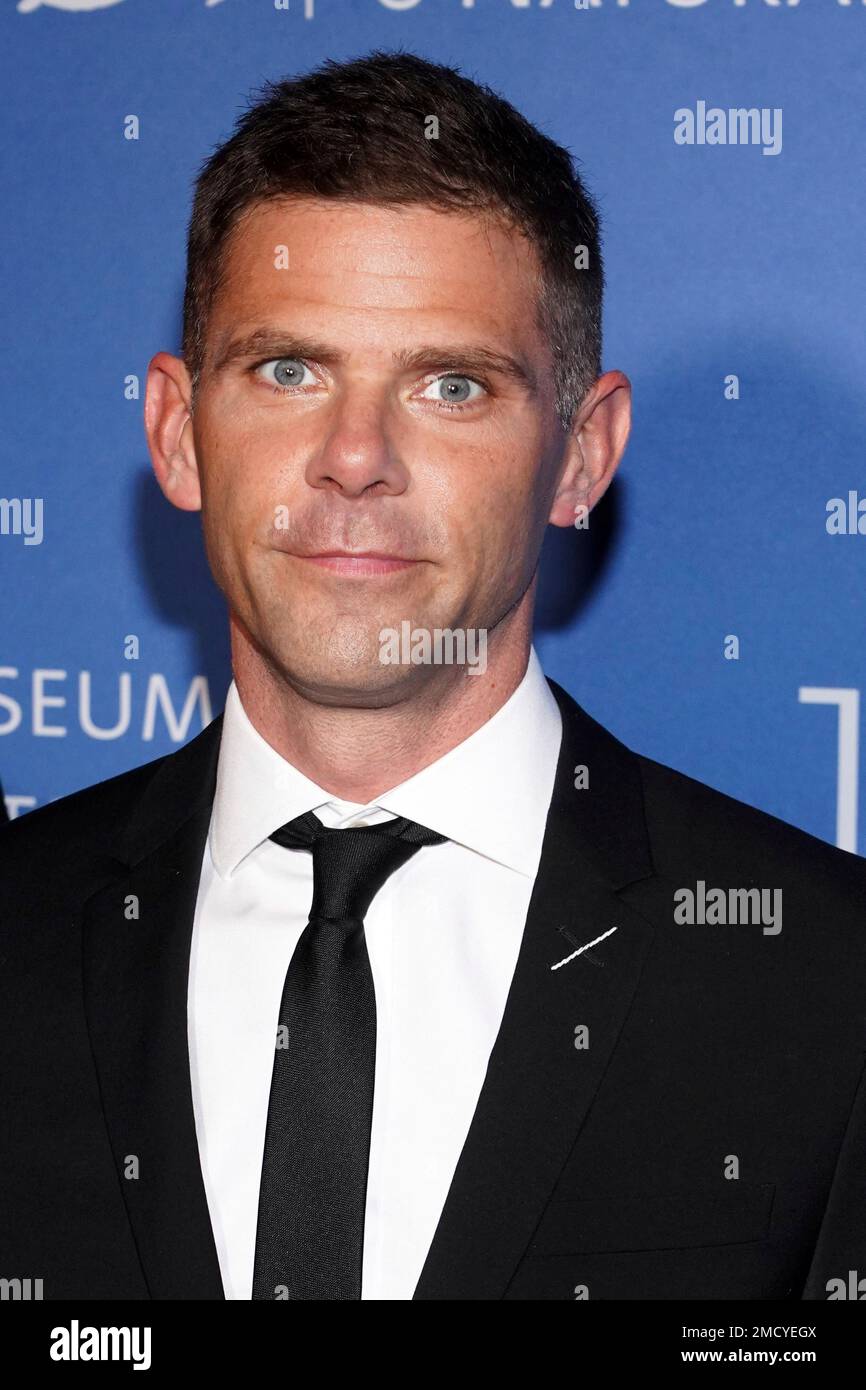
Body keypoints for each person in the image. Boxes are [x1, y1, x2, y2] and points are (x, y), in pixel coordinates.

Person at [2, 50, 865, 1303]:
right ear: (178, 433)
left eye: (451, 385)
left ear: (580, 455)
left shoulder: (826, 990)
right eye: (289, 370)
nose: (354, 458)